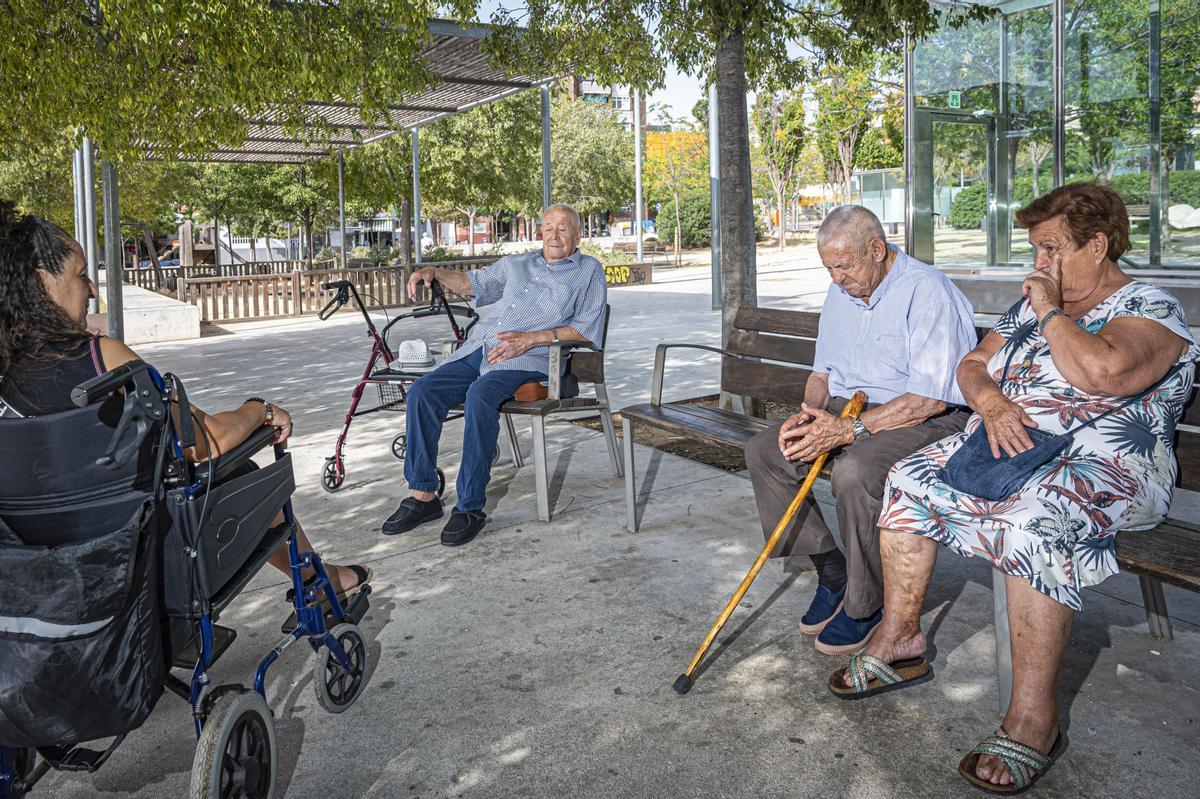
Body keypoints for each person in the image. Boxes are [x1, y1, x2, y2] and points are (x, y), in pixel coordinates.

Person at [829, 183, 1197, 793]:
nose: (1039, 264)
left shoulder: (1151, 307)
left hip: (1104, 466)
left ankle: (1032, 720)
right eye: (1036, 249)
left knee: (1035, 520)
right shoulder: (1030, 304)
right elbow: (971, 365)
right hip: (1012, 445)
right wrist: (994, 401)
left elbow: (1105, 373)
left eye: (1051, 248)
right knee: (910, 478)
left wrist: (1051, 309)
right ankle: (900, 636)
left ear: (1099, 245)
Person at [0, 202, 371, 626]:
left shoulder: (8, 379)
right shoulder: (102, 359)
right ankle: (317, 580)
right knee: (242, 471)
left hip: (53, 581)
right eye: (82, 275)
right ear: (41, 282)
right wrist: (261, 409)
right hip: (143, 566)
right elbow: (206, 441)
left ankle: (317, 577)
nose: (91, 290)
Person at [744, 205, 976, 656]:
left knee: (856, 472)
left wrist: (848, 430)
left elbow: (929, 398)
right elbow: (822, 374)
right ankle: (833, 572)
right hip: (849, 410)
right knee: (767, 452)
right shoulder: (841, 292)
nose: (836, 279)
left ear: (876, 249)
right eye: (828, 268)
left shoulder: (928, 292)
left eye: (844, 266)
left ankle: (866, 601)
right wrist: (810, 414)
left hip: (924, 415)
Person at [382, 203, 606, 546]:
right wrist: (434, 272)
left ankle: (470, 506)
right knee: (422, 393)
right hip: (479, 348)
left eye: (563, 228)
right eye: (548, 227)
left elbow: (587, 329)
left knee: (479, 396)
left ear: (578, 235)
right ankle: (423, 495)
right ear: (539, 231)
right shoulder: (517, 263)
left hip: (529, 359)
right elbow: (472, 284)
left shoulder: (588, 270)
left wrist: (529, 339)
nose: (554, 235)